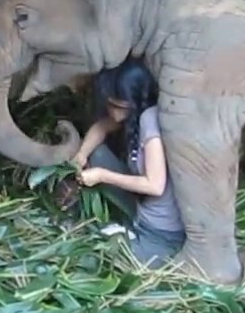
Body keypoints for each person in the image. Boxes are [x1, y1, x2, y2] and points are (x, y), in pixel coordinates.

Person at [70, 56, 185, 268]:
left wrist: (102, 176)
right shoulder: (135, 114)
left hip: (162, 233)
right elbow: (102, 127)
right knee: (99, 153)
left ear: (135, 99)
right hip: (141, 211)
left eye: (116, 105)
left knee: (99, 259)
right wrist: (81, 156)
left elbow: (155, 185)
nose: (112, 111)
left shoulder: (151, 122)